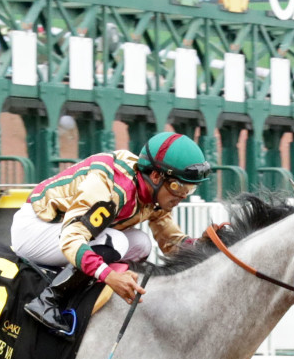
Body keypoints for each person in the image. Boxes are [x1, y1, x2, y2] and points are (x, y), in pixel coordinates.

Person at [11, 131, 212, 335]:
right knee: (117, 241)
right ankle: (48, 300)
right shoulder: (111, 188)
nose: (182, 197)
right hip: (37, 227)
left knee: (141, 243)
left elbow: (171, 244)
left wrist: (203, 245)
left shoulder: (154, 192)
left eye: (189, 190)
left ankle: (89, 294)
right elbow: (71, 239)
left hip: (62, 232)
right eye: (178, 187)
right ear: (155, 176)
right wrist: (109, 275)